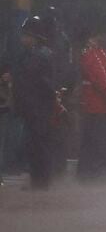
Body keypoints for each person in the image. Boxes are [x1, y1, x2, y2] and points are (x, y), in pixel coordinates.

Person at [10, 14, 61, 189]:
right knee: (35, 145)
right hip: (34, 107)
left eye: (26, 35)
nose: (23, 38)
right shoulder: (35, 54)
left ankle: (41, 181)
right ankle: (39, 180)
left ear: (35, 37)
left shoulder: (39, 55)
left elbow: (38, 82)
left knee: (38, 145)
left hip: (38, 107)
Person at [76, 23, 106, 179]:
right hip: (95, 103)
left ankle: (96, 170)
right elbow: (98, 79)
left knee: (100, 138)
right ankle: (94, 171)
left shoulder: (100, 52)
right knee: (96, 139)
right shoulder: (89, 53)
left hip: (102, 103)